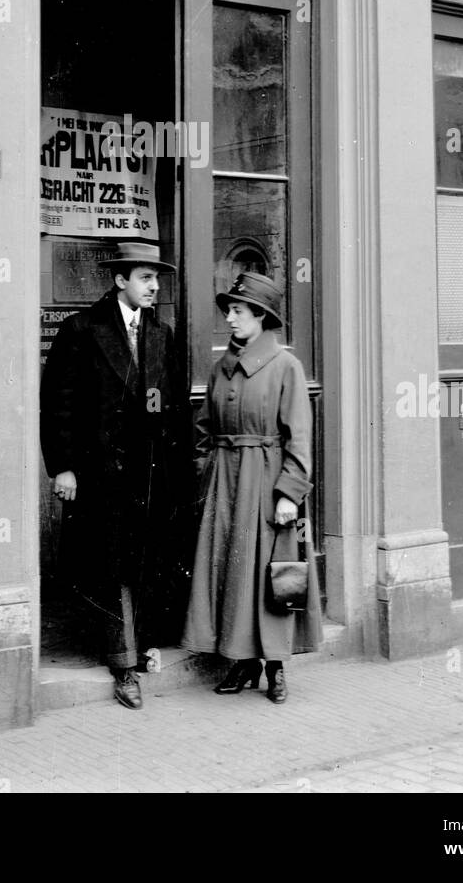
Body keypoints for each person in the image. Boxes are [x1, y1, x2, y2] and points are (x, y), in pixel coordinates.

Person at [40, 241, 191, 710]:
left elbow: (174, 409)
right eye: (146, 277)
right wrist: (64, 467)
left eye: (157, 279)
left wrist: (178, 472)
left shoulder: (161, 334)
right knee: (111, 569)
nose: (155, 286)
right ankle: (124, 666)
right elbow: (58, 406)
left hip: (149, 474)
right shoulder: (81, 330)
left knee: (143, 564)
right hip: (99, 474)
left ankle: (137, 647)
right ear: (120, 280)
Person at [183, 272, 322, 703]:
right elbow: (202, 429)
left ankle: (276, 668)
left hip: (267, 483)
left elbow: (299, 436)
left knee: (272, 573)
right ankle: (243, 661)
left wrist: (288, 494)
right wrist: (208, 471)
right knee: (230, 568)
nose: (230, 317)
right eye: (229, 310)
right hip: (226, 483)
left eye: (238, 310)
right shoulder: (221, 368)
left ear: (260, 316)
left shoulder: (286, 367)